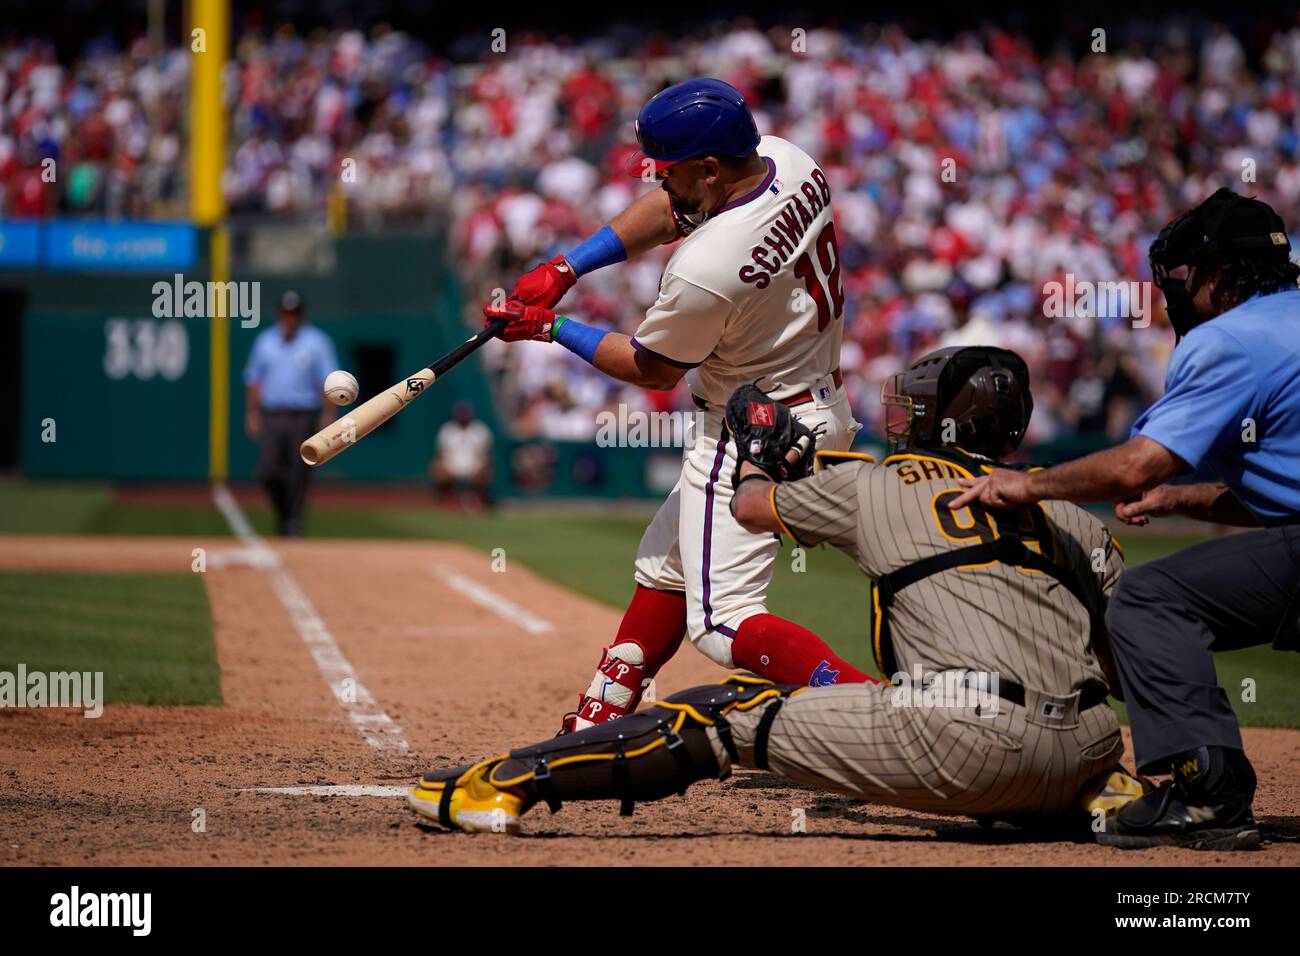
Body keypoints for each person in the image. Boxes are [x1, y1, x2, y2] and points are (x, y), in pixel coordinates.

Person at [409, 348, 1147, 836]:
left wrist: (757, 453)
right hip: (1087, 752)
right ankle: (1099, 794)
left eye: (913, 408)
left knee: (722, 708)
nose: (901, 417)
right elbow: (1123, 657)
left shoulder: (876, 483)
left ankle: (507, 783)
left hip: (965, 743)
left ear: (938, 421)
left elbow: (752, 509)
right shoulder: (1069, 512)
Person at [483, 78, 869, 735]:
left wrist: (549, 330)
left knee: (722, 624)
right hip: (812, 401)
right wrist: (566, 270)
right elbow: (674, 209)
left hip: (755, 429)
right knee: (666, 564)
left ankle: (879, 707)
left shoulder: (707, 265)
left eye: (670, 171)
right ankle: (603, 711)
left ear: (710, 168)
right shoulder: (789, 159)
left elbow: (652, 366)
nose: (660, 183)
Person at [950, 188, 1300, 851]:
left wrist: (1027, 484)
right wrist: (1185, 499)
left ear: (1220, 278)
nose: (1175, 294)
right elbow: (1287, 495)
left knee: (1148, 601)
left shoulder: (1231, 336)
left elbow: (1135, 467)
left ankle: (1207, 794)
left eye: (1182, 279)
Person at [243, 290, 339, 537]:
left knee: (298, 471)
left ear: (301, 314)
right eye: (286, 313)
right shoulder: (266, 341)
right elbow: (254, 380)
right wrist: (252, 413)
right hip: (273, 414)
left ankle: (292, 525)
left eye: (294, 313)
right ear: (279, 314)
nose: (290, 318)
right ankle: (284, 513)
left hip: (302, 415)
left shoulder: (316, 342)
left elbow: (328, 382)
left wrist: (329, 413)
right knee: (268, 471)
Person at [429, 400, 494, 508]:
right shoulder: (447, 430)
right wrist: (442, 466)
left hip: (474, 467)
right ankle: (448, 499)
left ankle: (476, 499)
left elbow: (487, 456)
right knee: (437, 469)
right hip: (451, 466)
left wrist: (482, 468)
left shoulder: (480, 430)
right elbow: (439, 455)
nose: (463, 418)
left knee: (485, 473)